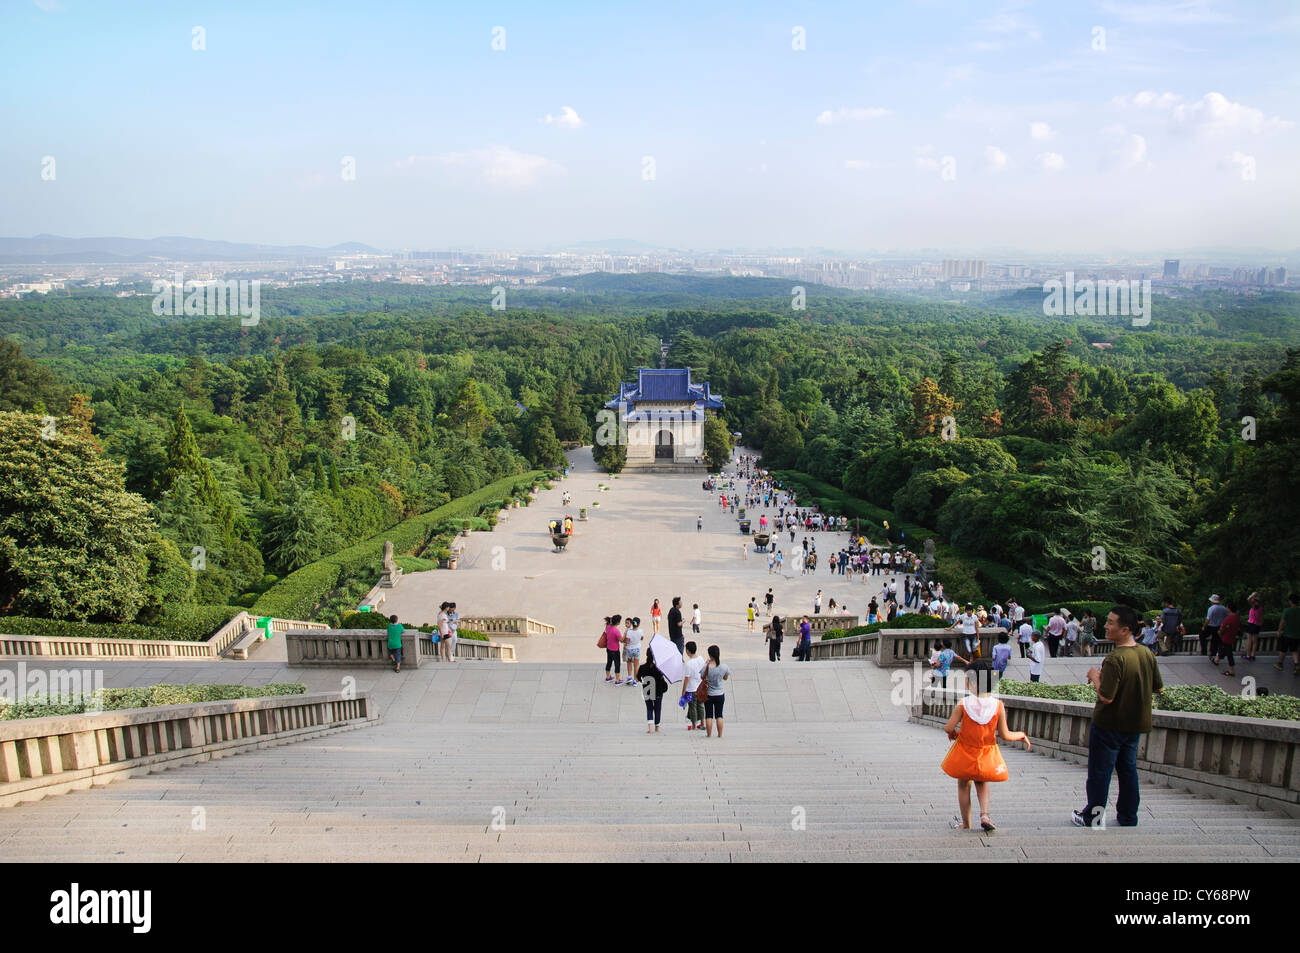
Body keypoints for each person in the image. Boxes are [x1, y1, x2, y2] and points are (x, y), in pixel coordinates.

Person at [1073, 605, 1164, 829]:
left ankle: (1092, 817)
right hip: (1135, 724)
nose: (1105, 626)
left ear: (1124, 629)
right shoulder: (1146, 653)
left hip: (1109, 725)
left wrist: (1095, 677)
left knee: (1100, 773)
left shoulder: (1115, 658)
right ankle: (1128, 817)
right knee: (1128, 771)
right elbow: (1158, 688)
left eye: (1111, 623)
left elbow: (1106, 696)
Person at [941, 660, 1031, 831]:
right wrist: (1021, 735)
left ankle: (966, 824)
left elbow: (948, 727)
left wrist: (952, 734)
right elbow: (1005, 734)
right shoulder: (998, 705)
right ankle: (985, 815)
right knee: (981, 783)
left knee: (963, 785)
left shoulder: (963, 704)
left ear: (973, 683)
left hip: (965, 753)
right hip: (986, 754)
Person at [639, 645, 669, 733]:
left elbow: (638, 678)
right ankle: (657, 728)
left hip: (647, 690)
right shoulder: (658, 668)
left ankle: (650, 729)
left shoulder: (642, 667)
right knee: (657, 708)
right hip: (658, 690)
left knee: (649, 708)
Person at [703, 645, 731, 738]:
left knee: (709, 715)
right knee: (719, 715)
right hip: (719, 693)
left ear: (710, 655)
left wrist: (705, 663)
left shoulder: (707, 667)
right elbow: (725, 678)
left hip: (709, 694)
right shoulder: (724, 667)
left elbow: (701, 677)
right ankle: (720, 735)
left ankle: (709, 734)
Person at [1274, 593, 1300, 676]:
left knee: (1283, 649)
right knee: (1294, 650)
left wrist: (1279, 631)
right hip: (1297, 635)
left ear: (1290, 601)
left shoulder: (1287, 610)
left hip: (1287, 633)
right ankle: (1296, 664)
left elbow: (1283, 622)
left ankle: (1280, 664)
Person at [682, 642, 706, 730]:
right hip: (700, 687)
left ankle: (694, 725)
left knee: (692, 707)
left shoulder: (688, 664)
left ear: (688, 651)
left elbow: (687, 679)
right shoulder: (701, 659)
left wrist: (683, 691)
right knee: (701, 705)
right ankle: (702, 723)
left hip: (691, 689)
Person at [1213, 600, 1240, 677]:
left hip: (1226, 638)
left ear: (1229, 608)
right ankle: (1216, 660)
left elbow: (1222, 628)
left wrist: (1220, 633)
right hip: (1232, 637)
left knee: (1229, 653)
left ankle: (1231, 670)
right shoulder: (1237, 618)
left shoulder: (1229, 618)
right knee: (1223, 649)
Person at [602, 614, 623, 683]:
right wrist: (625, 634)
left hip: (608, 649)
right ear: (617, 622)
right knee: (617, 664)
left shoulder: (608, 627)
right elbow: (621, 640)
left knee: (609, 662)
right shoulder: (616, 631)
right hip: (615, 650)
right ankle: (617, 680)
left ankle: (608, 677)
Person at [624, 616, 645, 686]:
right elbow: (642, 638)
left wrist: (625, 646)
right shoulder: (640, 631)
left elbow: (627, 641)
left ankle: (629, 677)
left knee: (629, 663)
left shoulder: (629, 632)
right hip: (637, 649)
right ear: (638, 624)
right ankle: (635, 680)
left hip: (629, 649)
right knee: (636, 665)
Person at [1244, 593, 1263, 662]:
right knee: (1255, 641)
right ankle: (1253, 655)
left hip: (1251, 624)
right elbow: (1261, 618)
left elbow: (1248, 599)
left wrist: (1253, 594)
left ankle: (1248, 655)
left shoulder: (1253, 607)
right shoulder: (1261, 608)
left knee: (1249, 640)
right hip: (1257, 625)